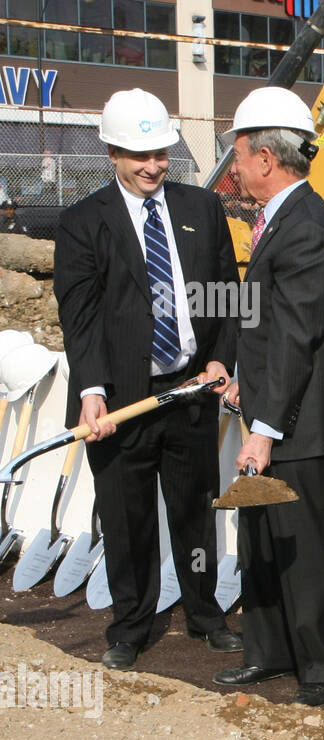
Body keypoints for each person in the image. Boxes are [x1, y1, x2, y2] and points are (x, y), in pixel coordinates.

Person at [54, 88, 241, 671]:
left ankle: (204, 613)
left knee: (194, 510)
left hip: (189, 390)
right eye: (140, 155)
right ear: (112, 151)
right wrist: (90, 391)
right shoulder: (84, 222)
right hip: (121, 401)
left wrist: (220, 358)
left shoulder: (201, 208)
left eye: (161, 152)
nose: (154, 166)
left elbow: (228, 294)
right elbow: (79, 316)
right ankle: (130, 625)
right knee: (127, 517)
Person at [210, 87, 324, 707]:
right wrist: (246, 380)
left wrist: (266, 428)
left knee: (305, 546)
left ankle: (321, 668)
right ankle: (269, 651)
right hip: (270, 410)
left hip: (295, 424)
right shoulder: (283, 221)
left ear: (266, 158)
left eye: (238, 156)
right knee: (262, 538)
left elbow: (298, 335)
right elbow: (267, 323)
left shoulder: (305, 229)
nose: (234, 168)